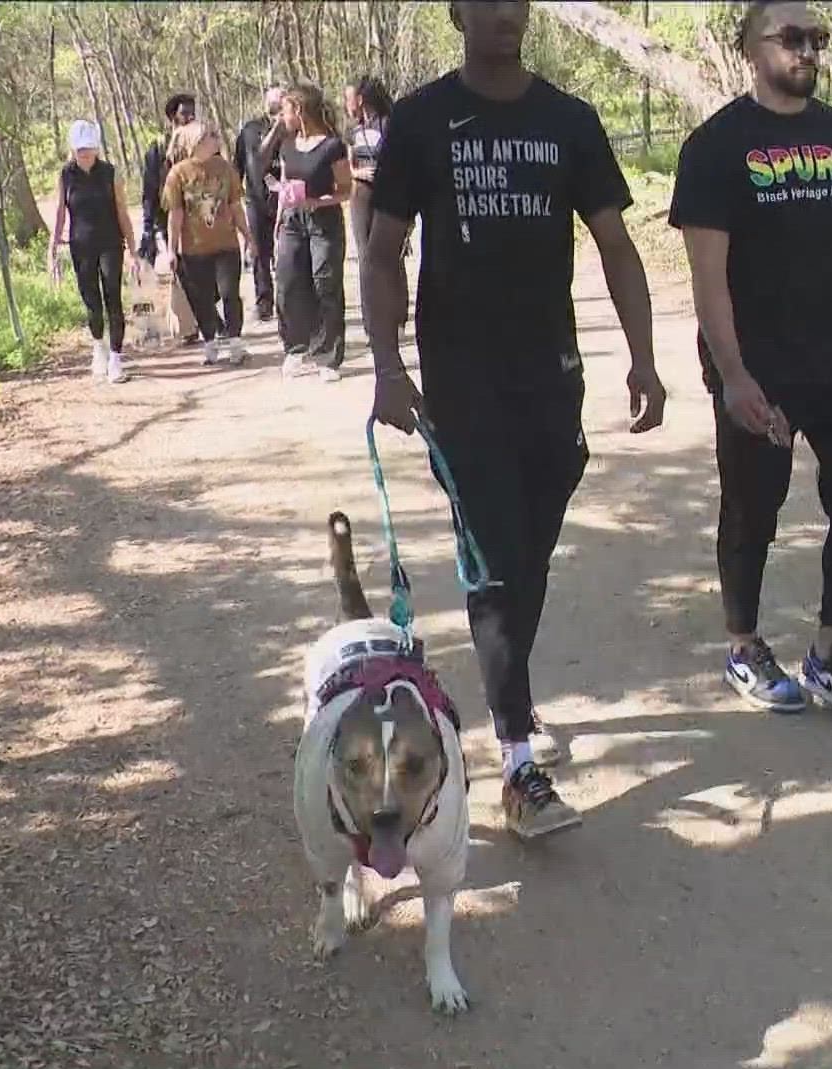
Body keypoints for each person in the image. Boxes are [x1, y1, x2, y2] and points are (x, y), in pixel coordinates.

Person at [361, 0, 668, 839]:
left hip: (551, 381)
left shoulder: (569, 119)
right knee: (496, 562)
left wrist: (643, 358)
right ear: (458, 12)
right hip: (462, 385)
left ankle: (511, 700)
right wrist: (388, 369)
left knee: (527, 561)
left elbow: (615, 245)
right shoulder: (423, 120)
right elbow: (383, 252)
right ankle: (519, 765)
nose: (505, 12)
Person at [669, 0, 832, 730]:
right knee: (752, 510)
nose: (808, 51)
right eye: (791, 37)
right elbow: (708, 275)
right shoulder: (715, 145)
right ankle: (744, 645)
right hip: (761, 370)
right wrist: (734, 375)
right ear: (751, 49)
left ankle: (831, 649)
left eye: (817, 39)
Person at [264, 83, 352, 381]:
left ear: (299, 111)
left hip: (323, 222)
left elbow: (345, 190)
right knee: (288, 283)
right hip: (292, 221)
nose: (281, 117)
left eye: (285, 111)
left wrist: (316, 200)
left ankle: (328, 356)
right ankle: (295, 348)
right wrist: (279, 218)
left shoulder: (331, 146)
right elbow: (285, 183)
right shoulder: (287, 145)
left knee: (324, 283)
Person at [49, 120, 139, 385]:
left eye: (88, 148)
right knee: (92, 301)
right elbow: (59, 212)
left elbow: (122, 211)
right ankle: (98, 345)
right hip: (81, 245)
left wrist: (133, 249)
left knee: (112, 295)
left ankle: (116, 358)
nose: (84, 153)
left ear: (97, 148)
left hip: (110, 242)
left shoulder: (110, 173)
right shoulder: (66, 175)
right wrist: (53, 246)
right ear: (73, 151)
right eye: (80, 150)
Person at [163, 121, 252, 367]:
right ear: (197, 142)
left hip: (226, 244)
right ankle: (210, 343)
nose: (217, 139)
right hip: (194, 248)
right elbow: (176, 214)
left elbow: (235, 205)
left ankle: (235, 342)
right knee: (202, 298)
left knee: (229, 294)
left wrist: (248, 236)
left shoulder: (226, 169)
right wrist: (172, 249)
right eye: (211, 136)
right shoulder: (178, 174)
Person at [141, 93, 201, 346]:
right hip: (169, 217)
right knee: (182, 269)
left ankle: (205, 317)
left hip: (201, 216)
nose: (188, 118)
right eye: (183, 114)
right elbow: (149, 190)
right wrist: (149, 227)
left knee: (204, 268)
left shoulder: (203, 144)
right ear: (172, 118)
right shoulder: (157, 149)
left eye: (192, 113)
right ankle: (188, 325)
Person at [234, 85, 286, 323]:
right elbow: (243, 164)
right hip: (256, 198)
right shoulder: (250, 129)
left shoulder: (294, 129)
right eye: (275, 101)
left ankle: (289, 301)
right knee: (259, 253)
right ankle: (264, 302)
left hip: (285, 199)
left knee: (287, 253)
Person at [344, 74, 394, 256]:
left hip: (386, 195)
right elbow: (348, 167)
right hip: (361, 197)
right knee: (365, 254)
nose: (346, 104)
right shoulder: (353, 130)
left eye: (347, 99)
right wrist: (358, 173)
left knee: (390, 255)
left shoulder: (388, 124)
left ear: (359, 100)